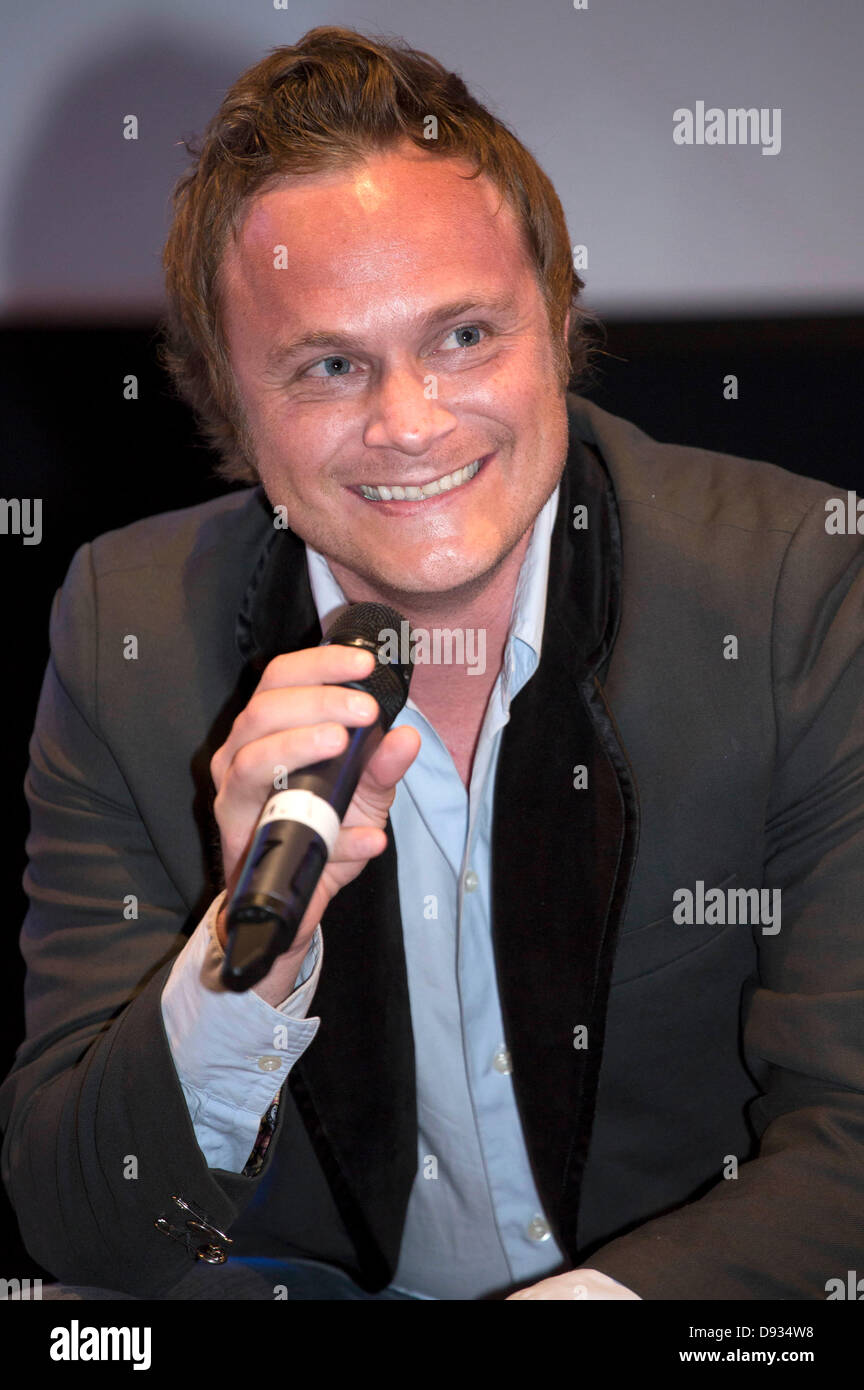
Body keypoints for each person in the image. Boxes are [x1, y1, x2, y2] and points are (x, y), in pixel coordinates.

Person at [2, 25, 864, 1302]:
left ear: (560, 324)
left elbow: (851, 1131)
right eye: (331, 365)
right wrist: (245, 964)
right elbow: (85, 1226)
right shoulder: (126, 633)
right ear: (227, 405)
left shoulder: (793, 585)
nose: (409, 422)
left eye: (465, 336)